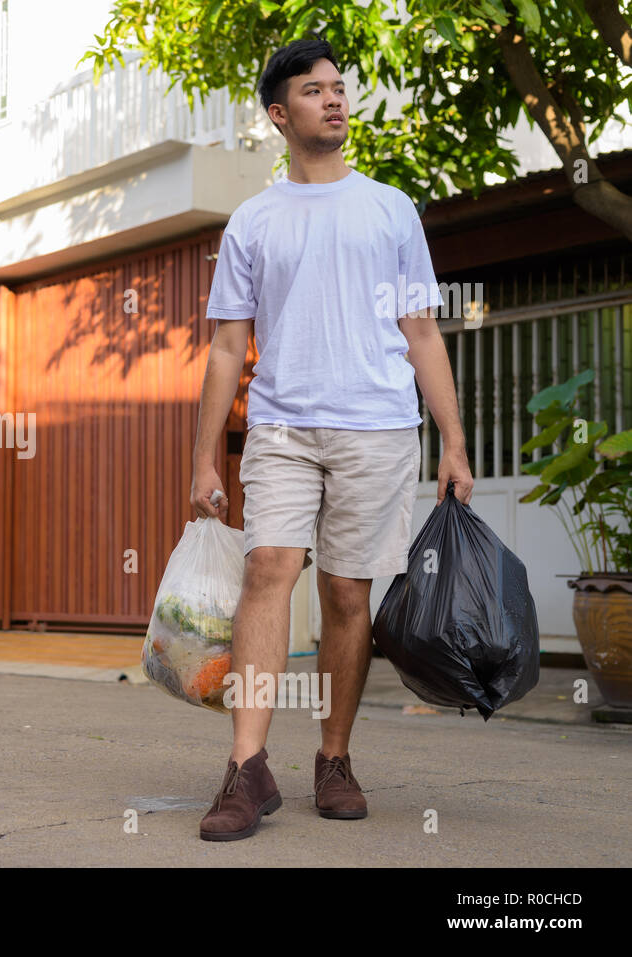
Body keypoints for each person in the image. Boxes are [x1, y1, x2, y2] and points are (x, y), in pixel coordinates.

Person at [190, 34, 474, 842]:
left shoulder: (389, 208)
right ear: (281, 115)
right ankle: (247, 766)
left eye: (340, 87)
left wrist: (452, 440)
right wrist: (204, 453)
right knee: (268, 570)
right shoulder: (253, 221)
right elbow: (225, 346)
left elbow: (421, 330)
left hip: (378, 426)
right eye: (315, 90)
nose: (336, 98)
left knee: (349, 594)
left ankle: (335, 757)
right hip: (281, 423)